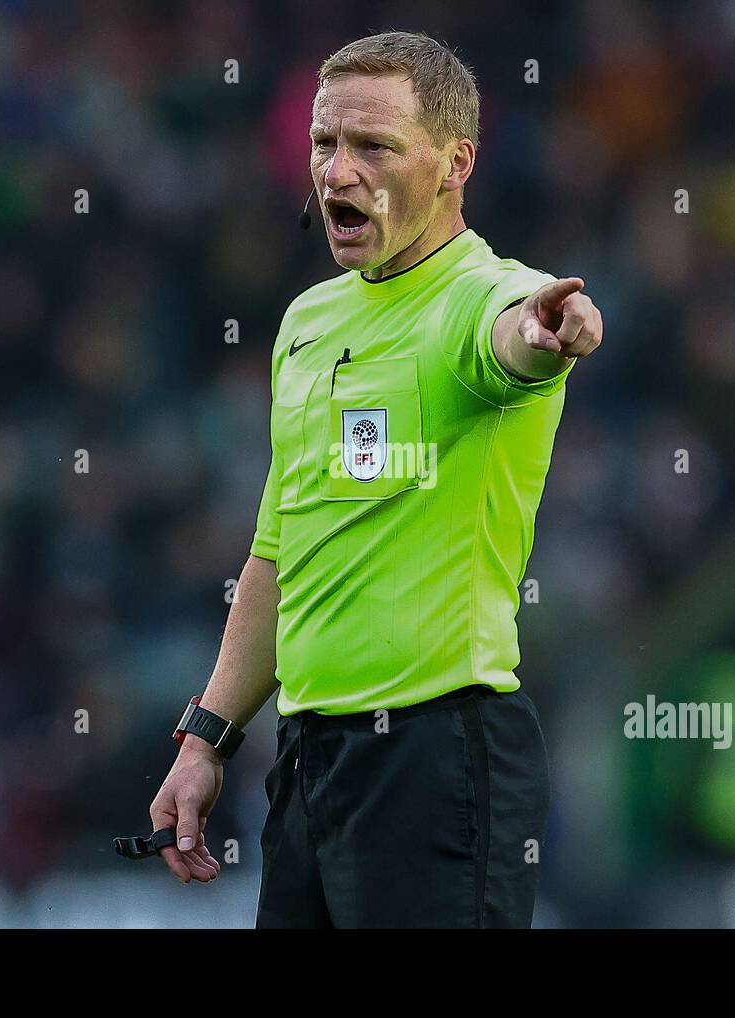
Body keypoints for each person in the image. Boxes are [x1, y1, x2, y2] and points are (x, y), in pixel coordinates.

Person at [147, 30, 603, 928]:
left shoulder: (481, 295)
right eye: (325, 143)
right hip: (310, 761)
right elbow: (281, 546)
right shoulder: (308, 322)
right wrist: (208, 736)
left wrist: (553, 333)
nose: (337, 172)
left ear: (454, 163)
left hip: (437, 757)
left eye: (375, 147)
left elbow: (512, 337)